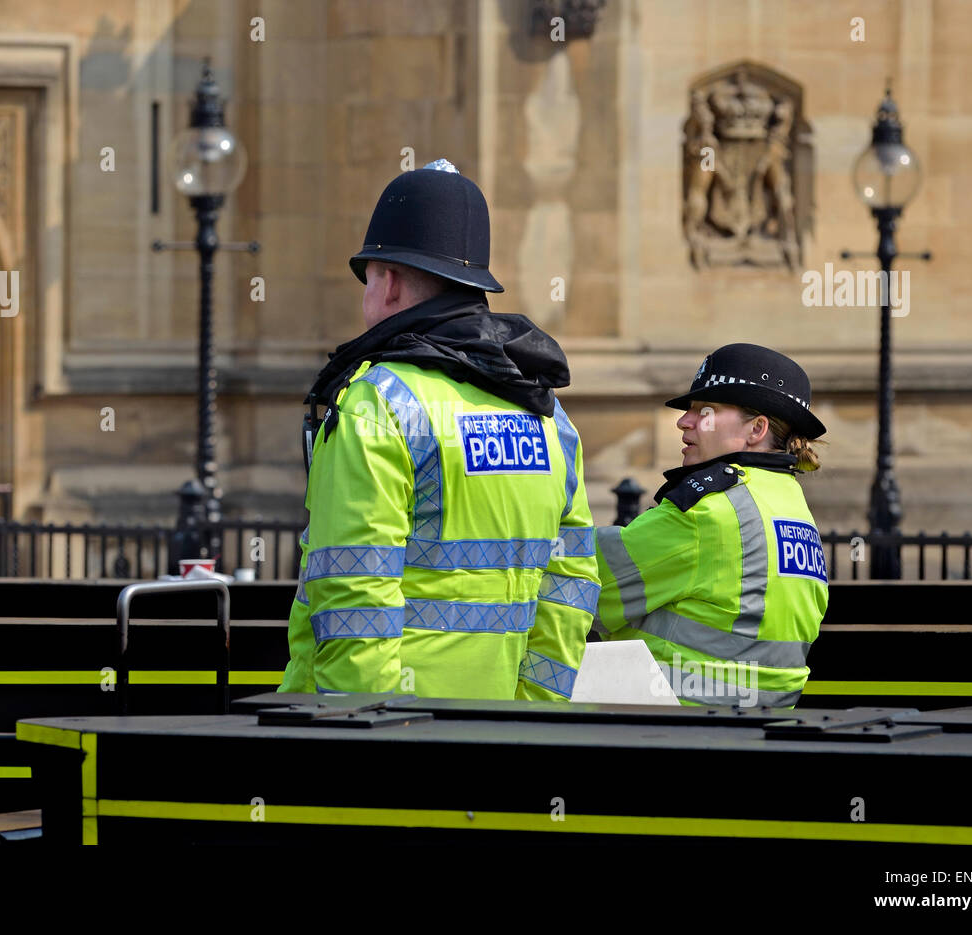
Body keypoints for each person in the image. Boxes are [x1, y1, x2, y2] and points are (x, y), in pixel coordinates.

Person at [279, 159, 598, 701]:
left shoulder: (377, 403)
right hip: (507, 732)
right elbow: (570, 588)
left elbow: (356, 595)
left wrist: (370, 732)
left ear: (391, 283)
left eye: (368, 279)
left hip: (389, 737)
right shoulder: (548, 415)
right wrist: (538, 716)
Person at [594, 343, 828, 707]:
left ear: (756, 429)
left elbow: (585, 585)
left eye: (705, 411)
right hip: (763, 723)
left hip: (670, 722)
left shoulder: (711, 511)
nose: (683, 421)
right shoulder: (791, 504)